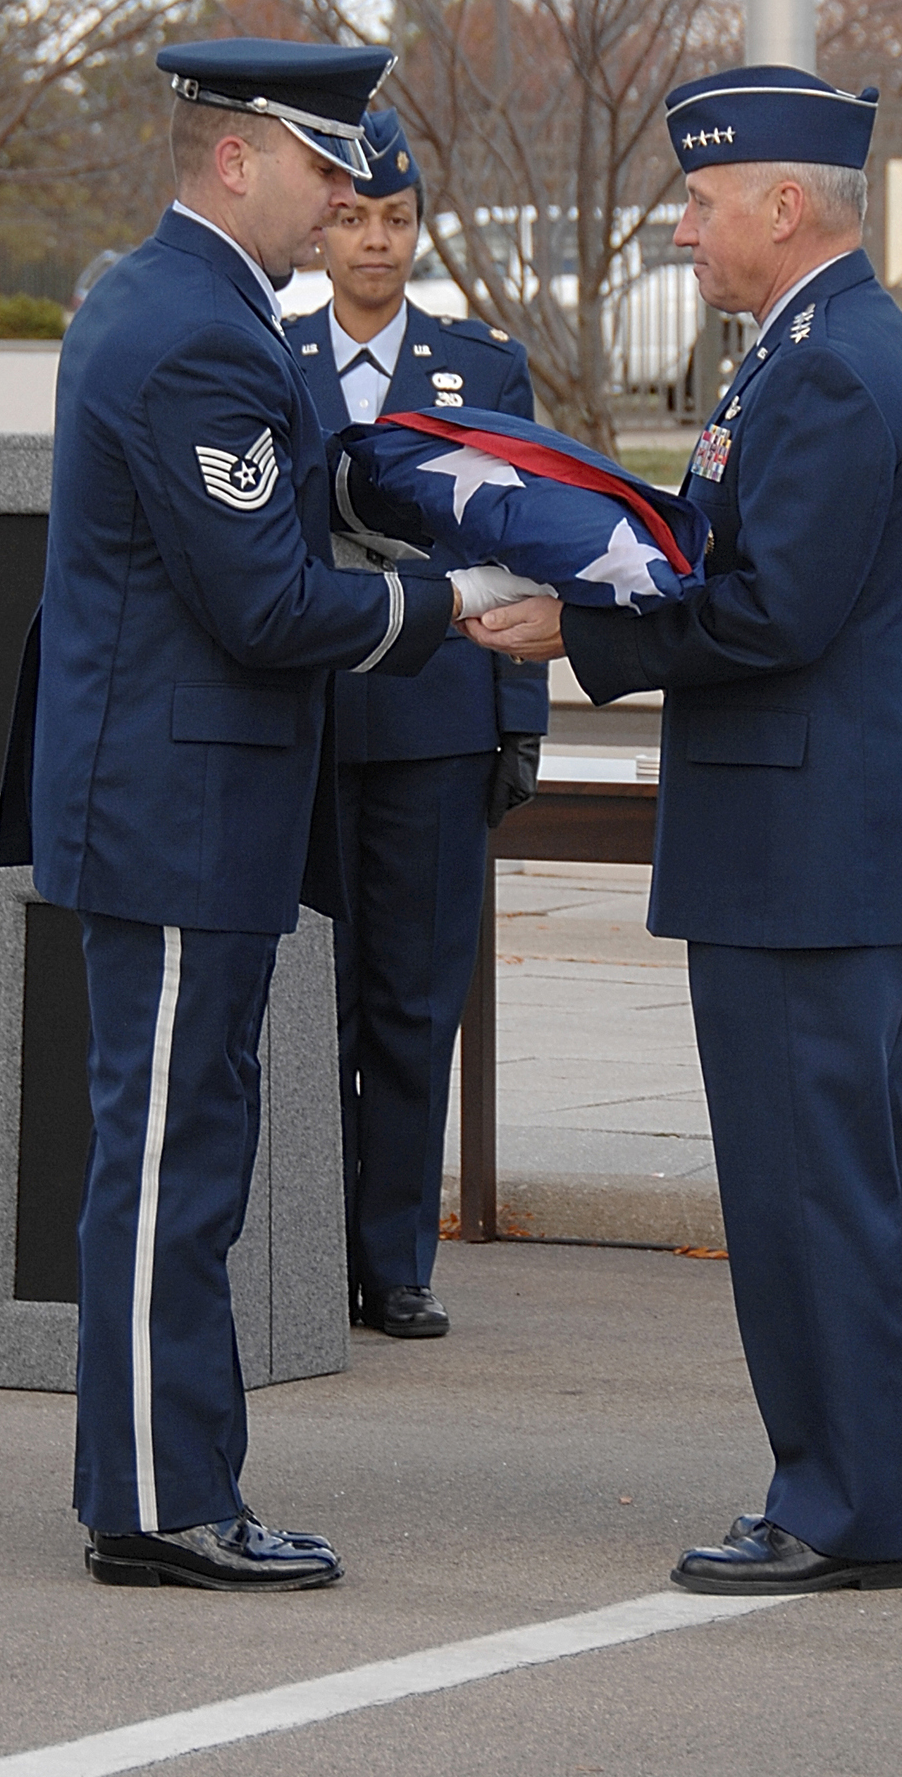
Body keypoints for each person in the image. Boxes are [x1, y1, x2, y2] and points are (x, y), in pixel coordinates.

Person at [0, 38, 541, 1592]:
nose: (350, 195)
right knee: (175, 1162)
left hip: (178, 800)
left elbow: (287, 513)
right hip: (183, 810)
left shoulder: (173, 300)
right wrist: (456, 598)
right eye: (327, 167)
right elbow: (268, 603)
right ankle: (165, 1507)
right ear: (240, 158)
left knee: (182, 1149)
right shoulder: (200, 337)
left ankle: (154, 1482)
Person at [462, 64, 902, 1596]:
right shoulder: (807, 352)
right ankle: (850, 1490)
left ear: (786, 205)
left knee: (814, 1192)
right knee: (827, 1189)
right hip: (815, 845)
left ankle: (845, 1509)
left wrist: (583, 637)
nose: (684, 228)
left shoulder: (826, 368)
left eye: (701, 200)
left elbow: (775, 615)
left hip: (805, 858)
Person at [287, 109, 549, 1338]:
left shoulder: (479, 367)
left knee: (412, 997)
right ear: (320, 224)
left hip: (438, 727)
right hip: (308, 720)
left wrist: (519, 716)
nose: (374, 242)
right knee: (311, 994)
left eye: (394, 220)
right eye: (352, 218)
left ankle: (391, 1260)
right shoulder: (264, 353)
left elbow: (525, 541)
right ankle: (299, 1245)